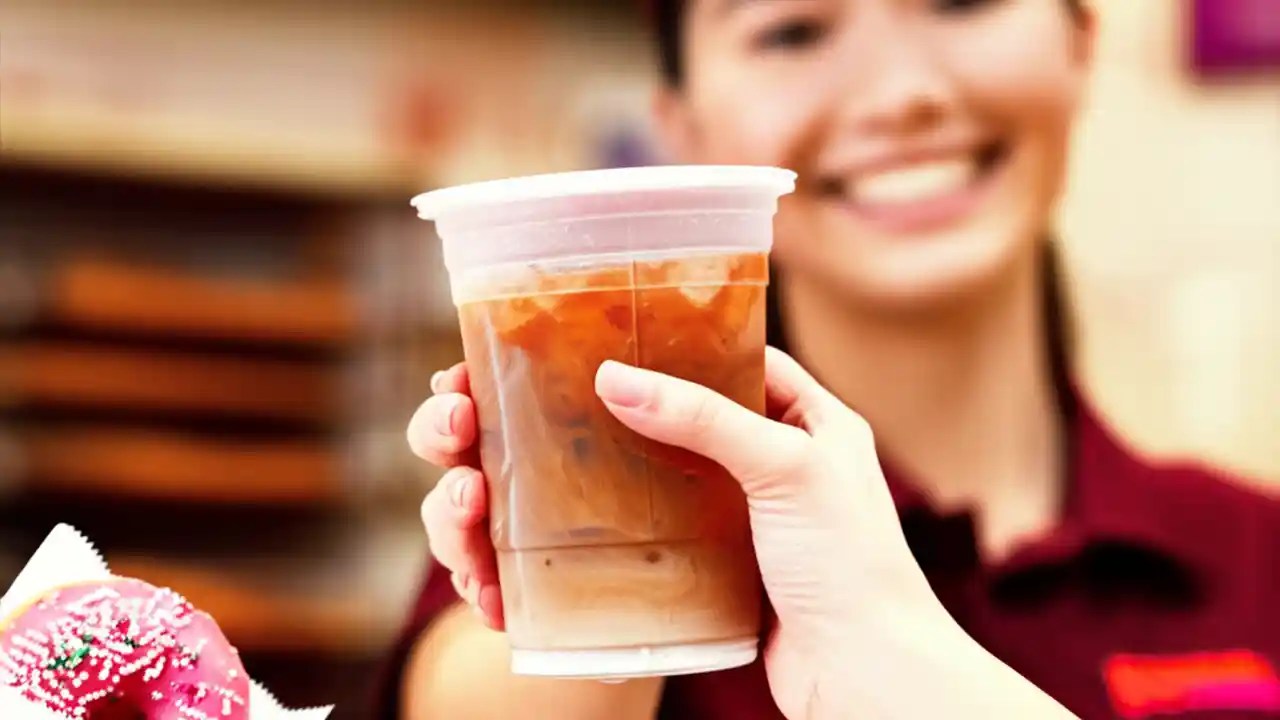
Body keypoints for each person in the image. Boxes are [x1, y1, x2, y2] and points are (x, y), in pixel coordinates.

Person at [380, 1, 1280, 718]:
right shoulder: (537, 563)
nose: (900, 94)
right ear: (679, 127)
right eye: (793, 30)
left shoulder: (1257, 554)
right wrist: (604, 559)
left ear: (1082, 45)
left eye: (964, 2)